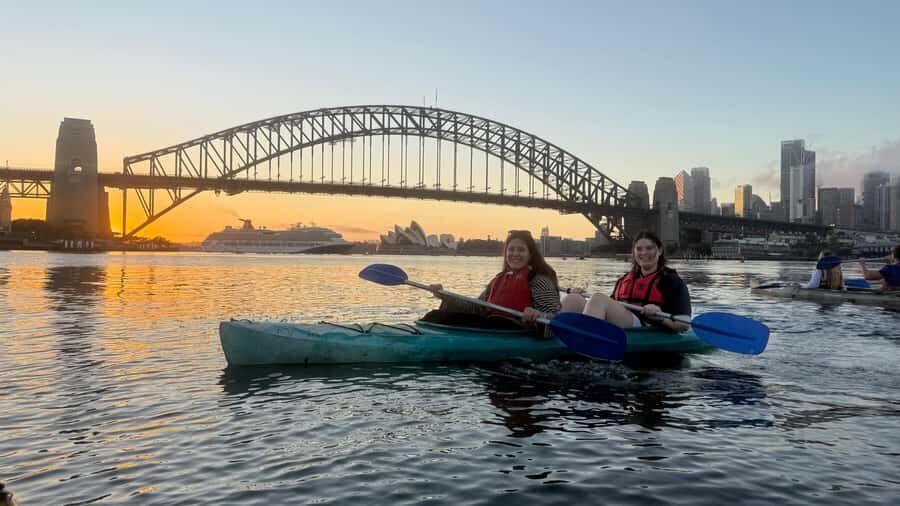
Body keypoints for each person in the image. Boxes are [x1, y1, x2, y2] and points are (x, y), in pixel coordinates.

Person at [422, 229, 561, 330]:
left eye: (521, 250)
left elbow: (555, 317)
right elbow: (476, 307)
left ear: (530, 254)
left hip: (515, 331)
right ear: (506, 253)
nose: (515, 254)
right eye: (511, 250)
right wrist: (444, 295)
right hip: (492, 326)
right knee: (436, 315)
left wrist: (538, 314)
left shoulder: (539, 279)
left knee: (439, 318)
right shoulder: (499, 279)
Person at [561, 231, 691, 332]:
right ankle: (554, 336)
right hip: (623, 320)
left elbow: (684, 324)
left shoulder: (672, 281)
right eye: (639, 249)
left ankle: (585, 343)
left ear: (660, 251)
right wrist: (580, 294)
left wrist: (661, 318)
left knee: (598, 298)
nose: (644, 253)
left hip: (647, 325)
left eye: (649, 248)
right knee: (573, 298)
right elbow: (611, 304)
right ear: (634, 253)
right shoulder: (624, 280)